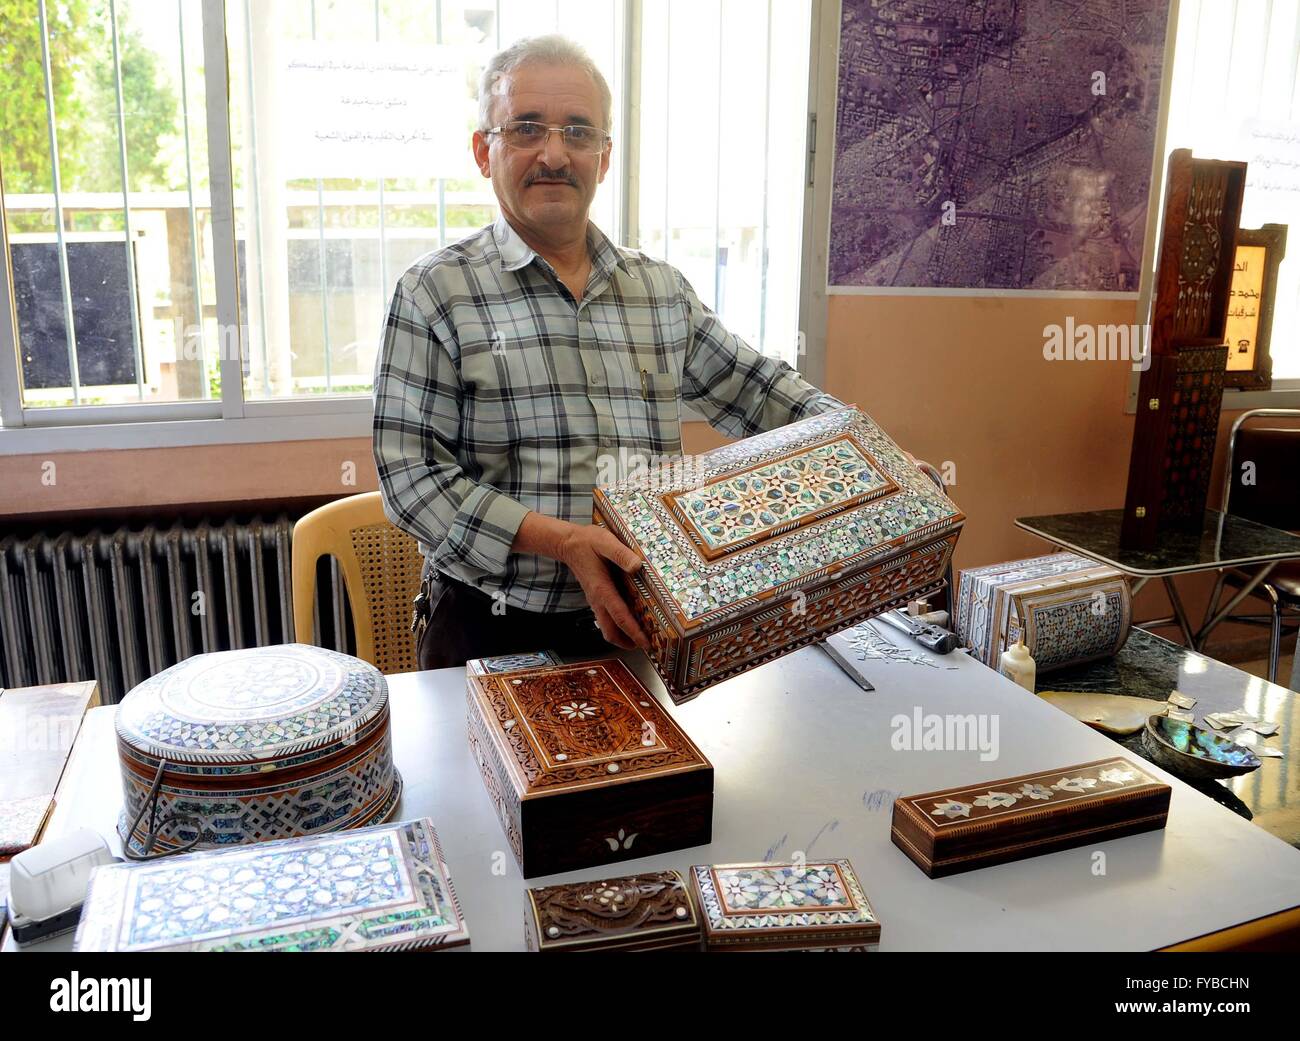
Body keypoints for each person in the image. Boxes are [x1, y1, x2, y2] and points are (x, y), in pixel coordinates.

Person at [373, 34, 844, 670]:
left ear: (605, 154)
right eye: (527, 129)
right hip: (491, 634)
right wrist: (564, 543)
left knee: (669, 775)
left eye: (578, 131)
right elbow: (412, 480)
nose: (554, 154)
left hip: (639, 625)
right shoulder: (435, 292)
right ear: (485, 151)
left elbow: (757, 390)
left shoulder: (659, 291)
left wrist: (873, 454)